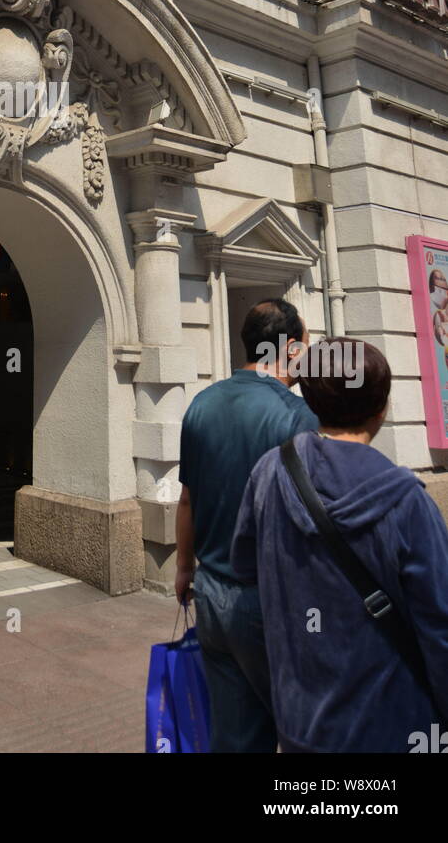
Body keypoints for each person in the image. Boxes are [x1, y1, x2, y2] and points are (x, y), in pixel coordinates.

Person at [231, 338, 448, 753]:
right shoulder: (406, 500)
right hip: (395, 727)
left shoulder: (269, 472)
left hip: (301, 724)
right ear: (382, 407)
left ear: (311, 400)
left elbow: (245, 568)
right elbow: (440, 626)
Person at [175, 298, 320, 752]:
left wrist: (184, 569)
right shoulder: (298, 416)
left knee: (235, 736)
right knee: (306, 729)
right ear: (292, 347)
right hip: (274, 599)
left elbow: (187, 499)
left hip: (212, 593)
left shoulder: (201, 403)